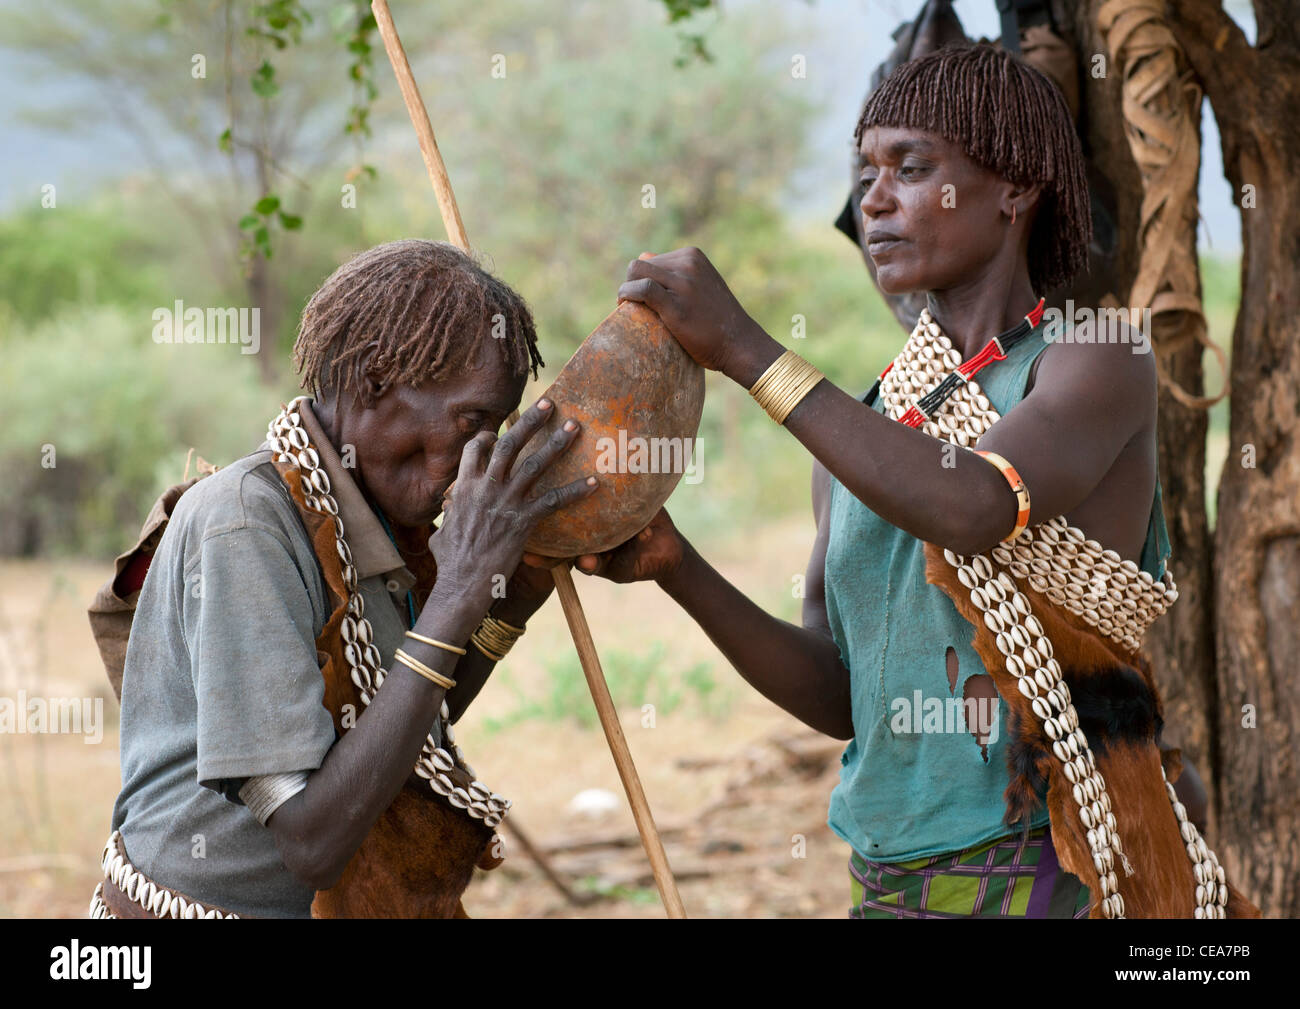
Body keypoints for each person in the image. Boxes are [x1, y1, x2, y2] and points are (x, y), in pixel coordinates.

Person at [554, 43, 1252, 918]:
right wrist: (677, 566)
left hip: (1056, 860)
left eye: (911, 169)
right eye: (865, 174)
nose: (873, 200)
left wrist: (744, 347)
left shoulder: (1093, 357)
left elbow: (977, 502)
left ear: (1016, 188)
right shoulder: (867, 426)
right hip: (888, 880)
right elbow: (843, 695)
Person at [94, 239, 598, 918]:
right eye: (473, 420)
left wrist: (517, 591)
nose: (478, 456)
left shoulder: (372, 516)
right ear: (373, 380)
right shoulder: (247, 523)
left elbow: (395, 728)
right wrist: (460, 590)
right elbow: (312, 843)